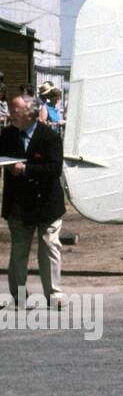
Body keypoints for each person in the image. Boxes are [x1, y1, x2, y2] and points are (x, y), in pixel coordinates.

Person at [0, 94, 66, 308]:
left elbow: (55, 169)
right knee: (19, 249)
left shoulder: (49, 137)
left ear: (30, 114)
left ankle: (54, 294)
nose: (10, 115)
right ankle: (18, 295)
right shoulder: (7, 135)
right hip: (19, 204)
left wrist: (26, 169)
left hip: (47, 203)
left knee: (49, 247)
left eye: (15, 111)